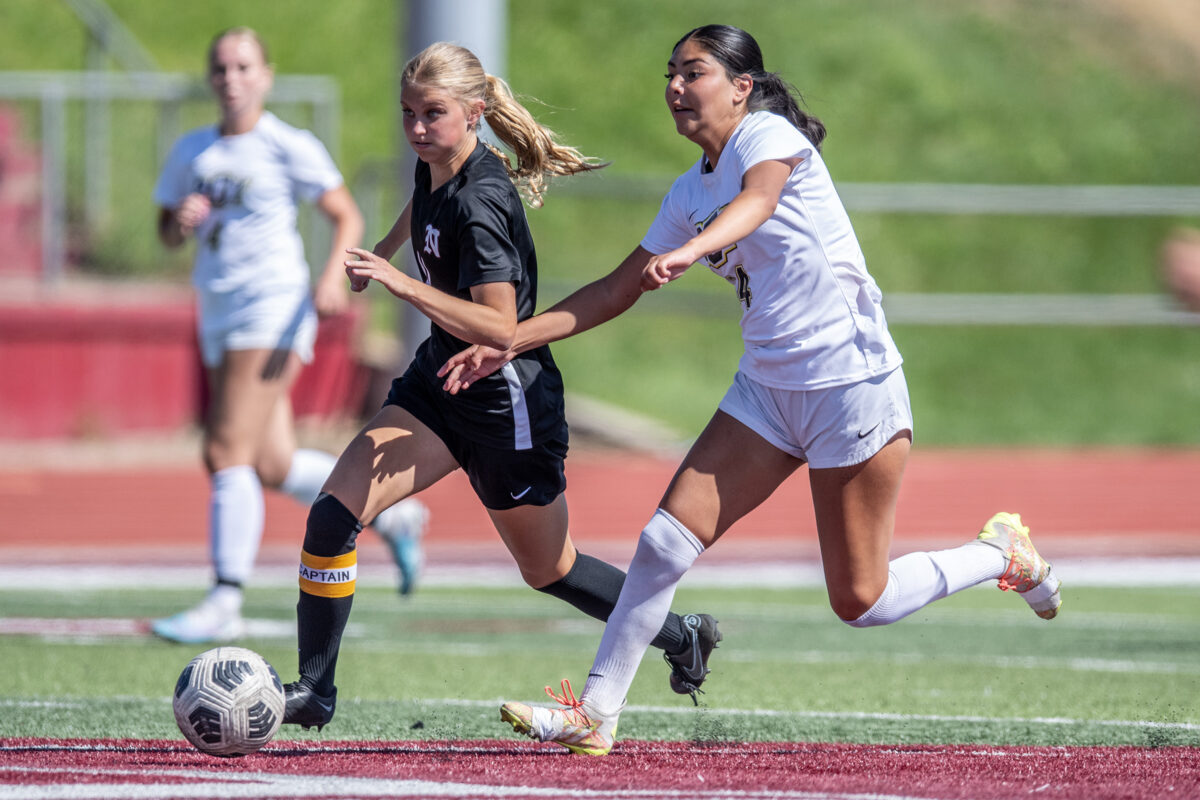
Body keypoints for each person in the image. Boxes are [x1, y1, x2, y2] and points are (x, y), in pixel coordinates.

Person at [438, 24, 1063, 756]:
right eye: (669, 72)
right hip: (766, 389)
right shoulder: (688, 188)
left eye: (693, 72)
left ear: (742, 87)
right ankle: (596, 714)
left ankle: (1002, 554)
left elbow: (758, 202)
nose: (676, 86)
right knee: (664, 541)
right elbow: (615, 289)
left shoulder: (764, 136)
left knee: (860, 601)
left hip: (849, 384)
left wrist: (697, 246)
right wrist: (511, 339)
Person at [279, 41, 723, 731]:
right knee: (332, 516)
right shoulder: (436, 166)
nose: (418, 130)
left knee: (550, 568)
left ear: (475, 115)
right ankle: (315, 689)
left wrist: (398, 283)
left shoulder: (483, 201)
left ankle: (681, 634)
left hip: (506, 405)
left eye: (433, 115)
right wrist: (389, 252)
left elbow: (500, 325)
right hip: (440, 384)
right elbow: (422, 208)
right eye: (408, 115)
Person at [151, 27, 429, 644]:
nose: (232, 78)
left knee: (224, 450)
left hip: (272, 308)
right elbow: (166, 232)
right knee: (270, 463)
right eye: (221, 68)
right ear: (210, 78)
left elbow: (344, 212)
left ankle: (225, 596)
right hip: (218, 311)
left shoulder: (285, 144)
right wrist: (180, 220)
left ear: (266, 76)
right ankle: (396, 514)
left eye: (244, 67)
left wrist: (332, 277)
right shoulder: (193, 151)